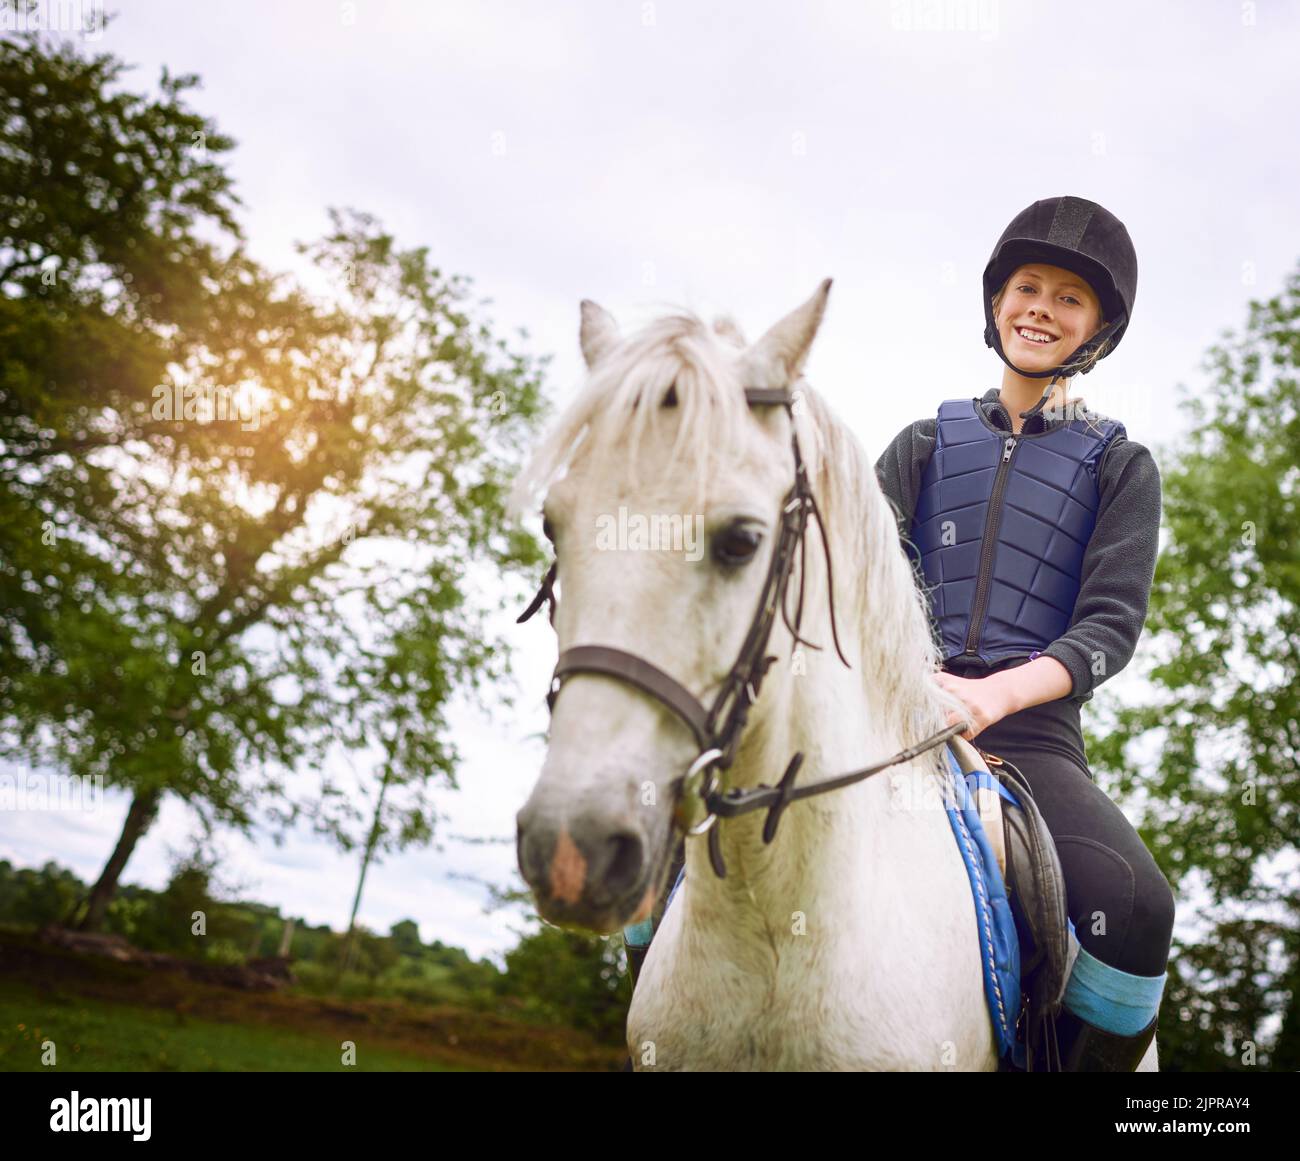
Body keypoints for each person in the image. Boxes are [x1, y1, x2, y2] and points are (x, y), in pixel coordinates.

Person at [874, 195, 1176, 1071]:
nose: (1041, 307)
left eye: (1069, 297)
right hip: (895, 709)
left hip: (1030, 735)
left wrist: (994, 693)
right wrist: (910, 680)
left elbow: (1110, 627)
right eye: (1027, 287)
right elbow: (849, 580)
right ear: (996, 303)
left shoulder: (1121, 465)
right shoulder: (922, 444)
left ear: (1098, 329)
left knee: (1139, 904)